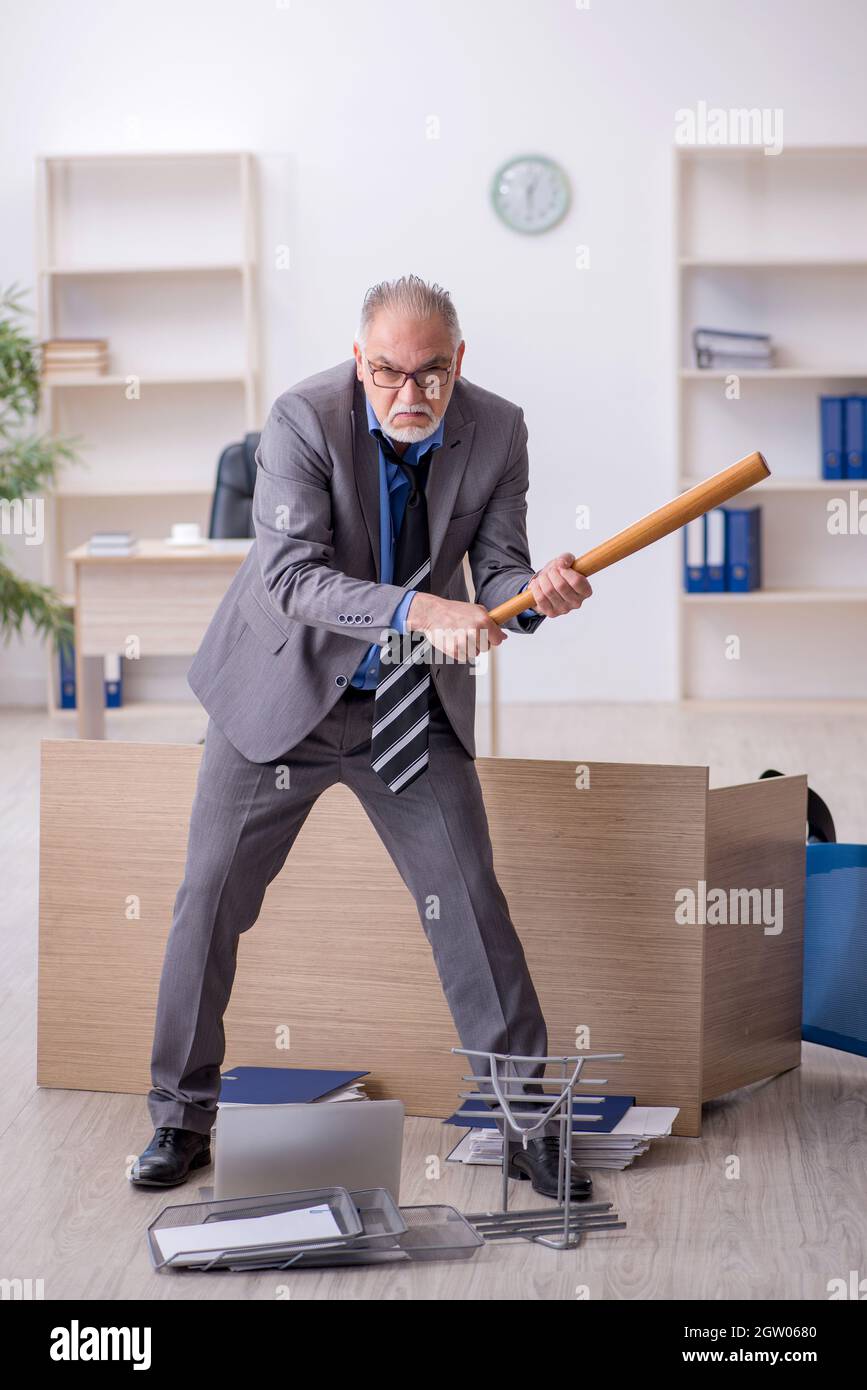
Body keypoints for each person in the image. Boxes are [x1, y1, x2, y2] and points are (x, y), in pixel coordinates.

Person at [132, 275, 593, 1198]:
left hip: (407, 707)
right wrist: (423, 606)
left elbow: (497, 565)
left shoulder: (498, 429)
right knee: (208, 905)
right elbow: (293, 579)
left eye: (429, 374)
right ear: (359, 360)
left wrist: (537, 595)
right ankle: (180, 1118)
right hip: (280, 698)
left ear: (457, 365)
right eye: (386, 372)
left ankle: (524, 1124)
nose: (408, 395)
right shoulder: (302, 420)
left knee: (470, 905)